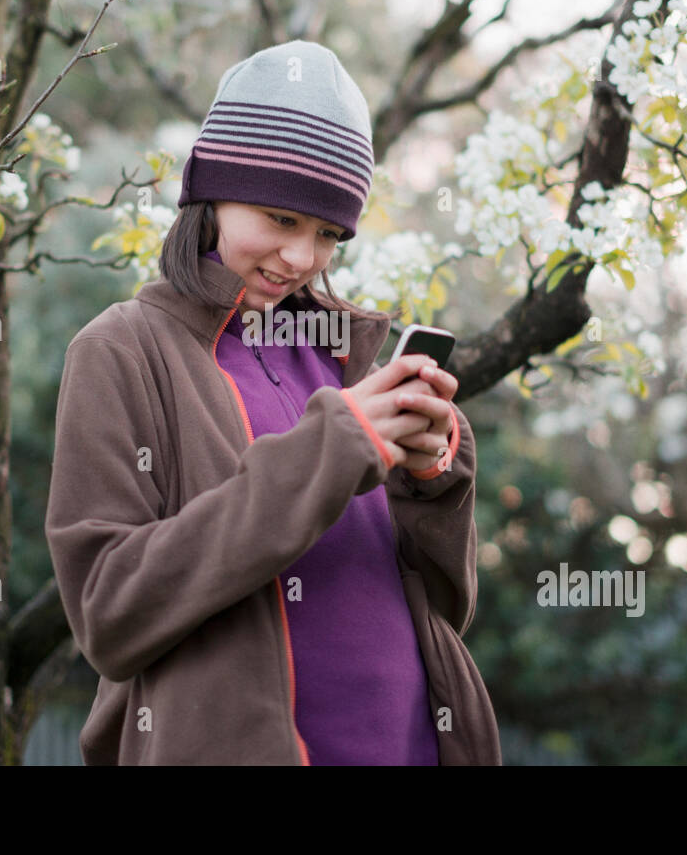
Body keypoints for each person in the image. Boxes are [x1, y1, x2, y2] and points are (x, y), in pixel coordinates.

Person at [44, 40, 501, 765]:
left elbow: (446, 606)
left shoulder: (347, 359)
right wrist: (333, 447)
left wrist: (433, 476)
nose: (301, 258)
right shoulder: (121, 351)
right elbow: (109, 612)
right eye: (280, 219)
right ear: (211, 193)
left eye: (327, 233)